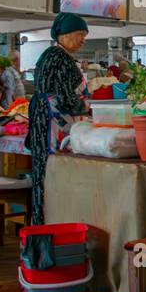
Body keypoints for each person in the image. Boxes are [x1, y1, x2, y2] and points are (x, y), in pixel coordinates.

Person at [26, 13, 90, 230]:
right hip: (51, 124)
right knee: (50, 174)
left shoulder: (54, 55)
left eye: (85, 34)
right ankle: (49, 229)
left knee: (45, 174)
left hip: (49, 120)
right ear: (65, 35)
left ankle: (45, 227)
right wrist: (90, 109)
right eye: (80, 34)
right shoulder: (58, 58)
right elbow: (64, 98)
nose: (83, 39)